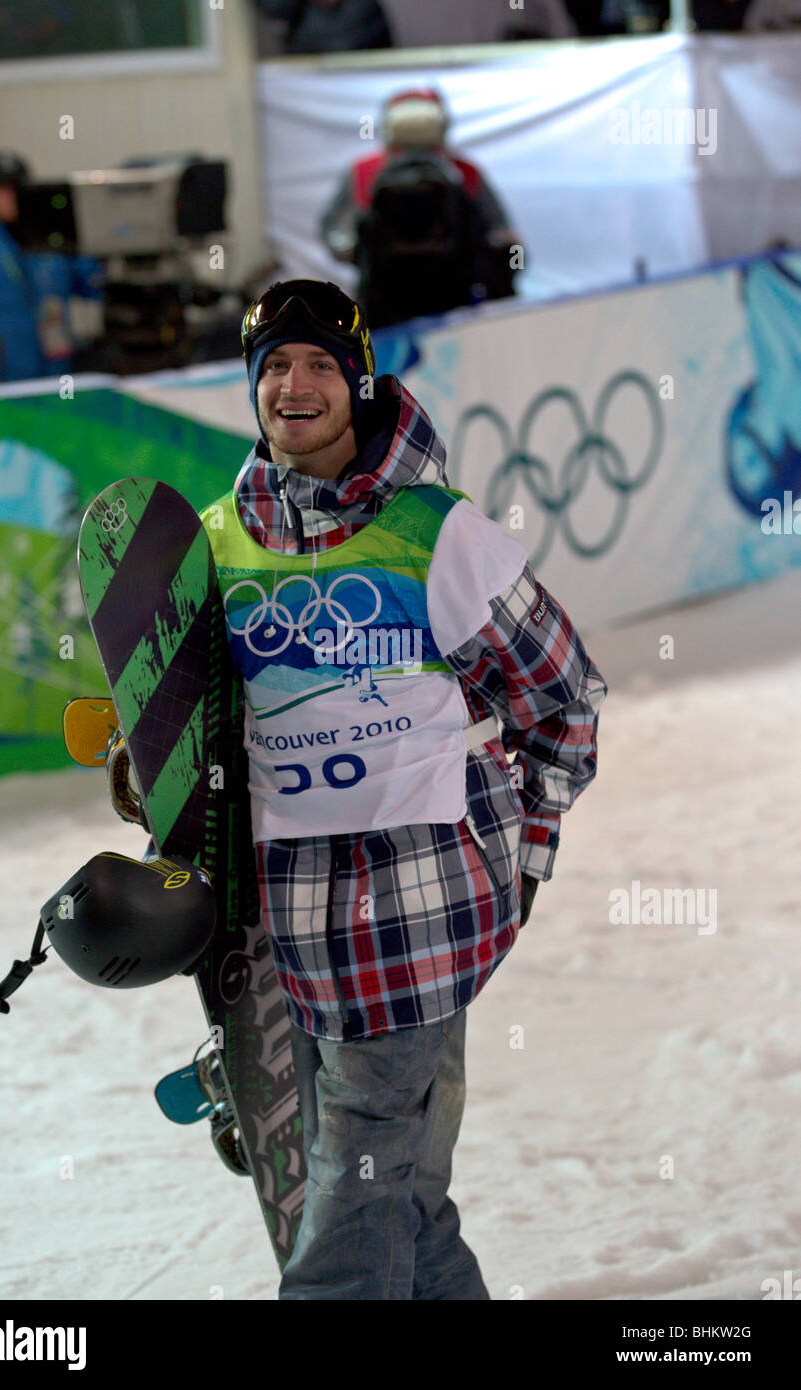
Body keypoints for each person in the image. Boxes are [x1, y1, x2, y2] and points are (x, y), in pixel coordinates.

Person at [199, 279, 607, 1300]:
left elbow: (562, 697)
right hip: (292, 924)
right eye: (273, 368)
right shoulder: (216, 541)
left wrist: (524, 857)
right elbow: (193, 740)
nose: (294, 387)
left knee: (358, 1169)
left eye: (319, 367)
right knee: (407, 1197)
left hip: (415, 910)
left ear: (358, 381)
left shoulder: (435, 533)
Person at [320, 89, 521, 326]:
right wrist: (357, 250)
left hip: (452, 295)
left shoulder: (464, 173)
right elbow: (333, 230)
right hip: (386, 295)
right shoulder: (363, 172)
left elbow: (500, 231)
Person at [0, 152, 102, 390]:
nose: (10, 197)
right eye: (1, 189)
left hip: (56, 382)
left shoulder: (52, 242)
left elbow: (95, 284)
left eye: (17, 188)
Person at [253, 0, 393, 53]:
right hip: (304, 81)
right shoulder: (300, 12)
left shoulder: (364, 10)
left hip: (355, 83)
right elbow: (273, 8)